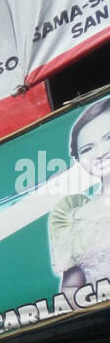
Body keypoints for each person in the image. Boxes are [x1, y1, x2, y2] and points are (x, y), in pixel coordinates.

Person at [49, 97, 110, 302]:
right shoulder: (75, 218)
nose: (100, 153)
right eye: (87, 149)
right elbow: (70, 290)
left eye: (108, 137)